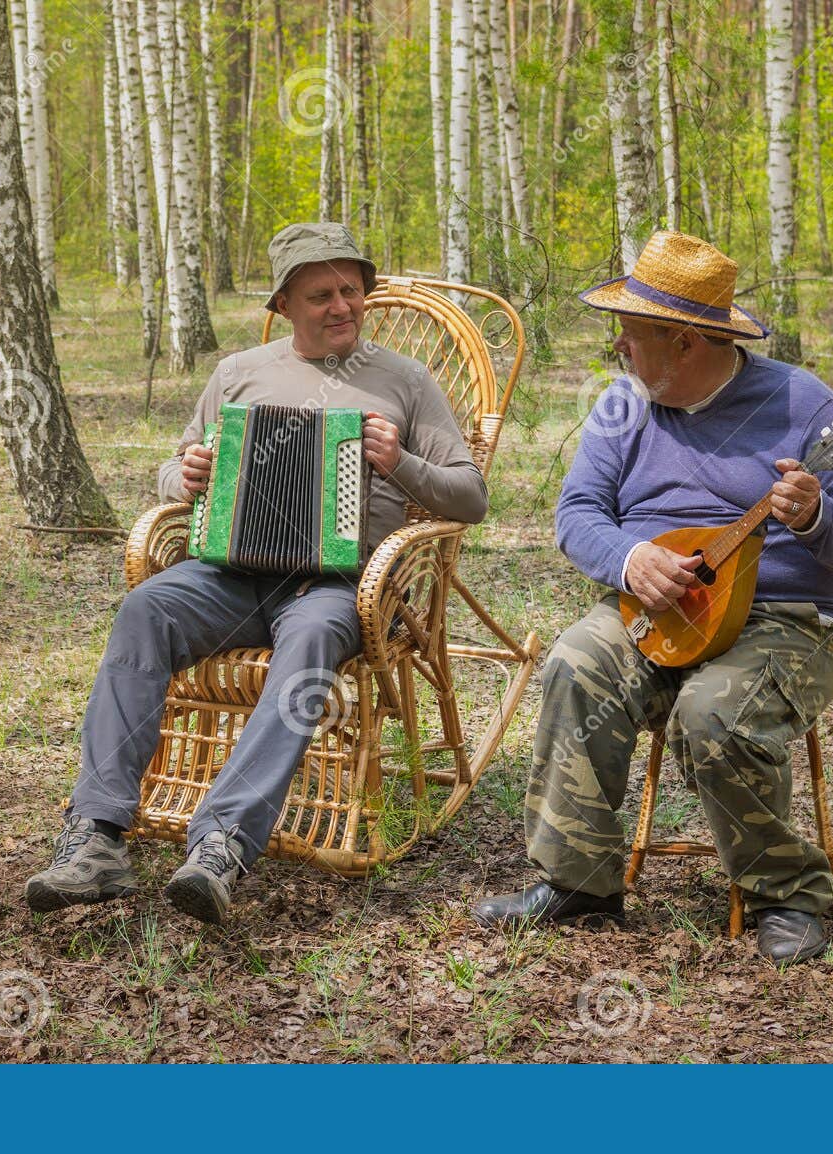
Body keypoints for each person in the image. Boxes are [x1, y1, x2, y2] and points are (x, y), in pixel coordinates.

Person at [26, 223, 488, 924]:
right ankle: (95, 835)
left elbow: (471, 498)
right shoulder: (239, 372)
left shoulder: (405, 380)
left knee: (310, 638)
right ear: (283, 305)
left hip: (341, 587)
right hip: (230, 576)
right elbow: (176, 468)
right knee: (145, 609)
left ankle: (221, 842)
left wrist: (401, 463)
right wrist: (183, 474)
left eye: (351, 291)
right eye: (321, 296)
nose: (342, 306)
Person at [471, 231, 833, 965]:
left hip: (787, 620)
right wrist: (631, 559)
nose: (617, 348)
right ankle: (577, 882)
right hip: (657, 609)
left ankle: (787, 893)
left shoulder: (805, 404)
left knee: (714, 710)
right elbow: (577, 514)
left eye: (630, 335)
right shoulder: (623, 406)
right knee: (575, 663)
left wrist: (816, 516)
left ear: (686, 343)